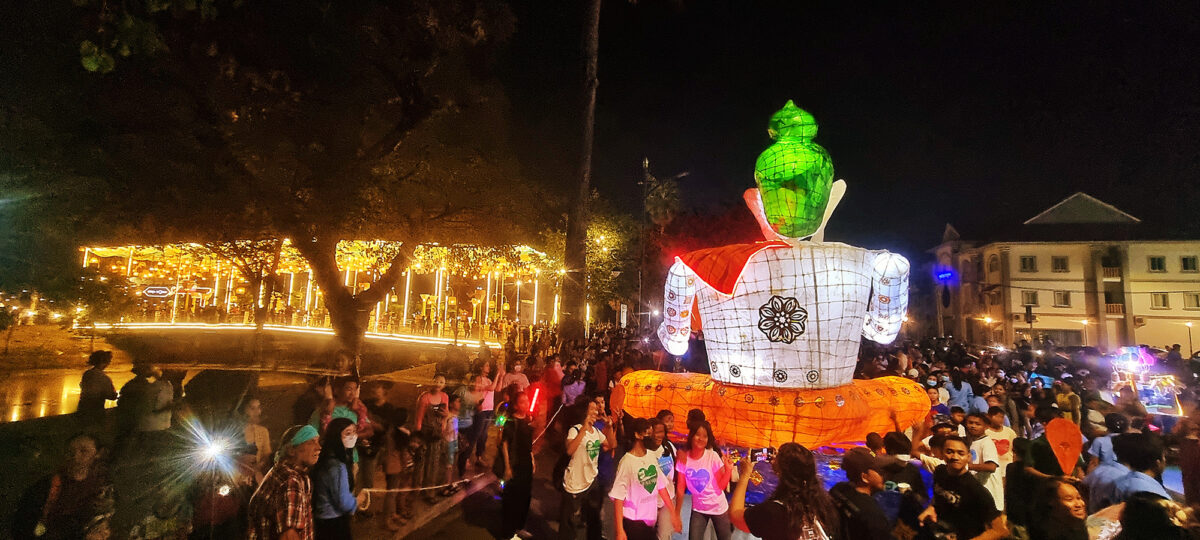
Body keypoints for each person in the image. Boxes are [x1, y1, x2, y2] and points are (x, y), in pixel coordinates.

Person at [12, 433, 114, 540]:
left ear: (98, 454)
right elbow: (22, 525)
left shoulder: (102, 487)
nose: (76, 457)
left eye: (83, 451)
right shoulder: (47, 486)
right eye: (71, 452)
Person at [731, 442, 839, 540]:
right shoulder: (825, 505)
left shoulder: (772, 512)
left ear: (780, 470)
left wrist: (745, 474)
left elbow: (735, 515)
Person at [918, 435, 1007, 540]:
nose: (955, 457)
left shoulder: (976, 490)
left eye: (961, 453)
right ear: (941, 454)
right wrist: (931, 508)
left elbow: (1000, 530)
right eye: (949, 452)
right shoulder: (940, 472)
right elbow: (939, 498)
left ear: (968, 457)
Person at [247, 424, 322, 540]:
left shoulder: (282, 472)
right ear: (291, 450)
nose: (318, 447)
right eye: (311, 442)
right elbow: (289, 536)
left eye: (317, 441)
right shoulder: (290, 480)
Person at [609, 417, 680, 540]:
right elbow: (618, 498)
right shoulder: (627, 462)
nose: (651, 437)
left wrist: (673, 512)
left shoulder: (651, 456)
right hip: (634, 522)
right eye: (648, 433)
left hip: (650, 521)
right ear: (637, 435)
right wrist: (620, 530)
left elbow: (661, 486)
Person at [559, 397, 615, 540]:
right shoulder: (575, 430)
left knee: (593, 518)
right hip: (575, 483)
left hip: (591, 481)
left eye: (596, 409)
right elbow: (569, 451)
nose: (595, 411)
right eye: (592, 409)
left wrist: (609, 427)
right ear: (584, 412)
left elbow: (611, 445)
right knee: (570, 523)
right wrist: (584, 428)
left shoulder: (596, 431)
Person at [674, 421, 732, 540]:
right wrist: (676, 513)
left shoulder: (712, 456)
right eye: (698, 435)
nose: (701, 439)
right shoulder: (684, 458)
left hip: (718, 507)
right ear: (691, 436)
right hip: (698, 509)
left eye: (705, 436)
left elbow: (721, 486)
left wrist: (729, 470)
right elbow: (680, 488)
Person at [310, 418, 360, 540]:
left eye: (354, 431)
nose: (353, 436)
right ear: (336, 436)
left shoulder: (325, 459)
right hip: (334, 523)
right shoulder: (337, 466)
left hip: (321, 520)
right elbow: (343, 502)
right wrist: (358, 500)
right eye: (348, 433)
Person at [829, 447, 891, 540]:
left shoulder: (837, 489)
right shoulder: (874, 516)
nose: (883, 474)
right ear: (864, 477)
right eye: (879, 470)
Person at [501, 391, 535, 539]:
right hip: (515, 464)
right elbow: (504, 444)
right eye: (522, 402)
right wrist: (507, 467)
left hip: (526, 463)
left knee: (525, 496)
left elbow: (528, 444)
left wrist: (532, 459)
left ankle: (519, 527)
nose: (526, 404)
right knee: (512, 498)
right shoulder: (510, 421)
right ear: (515, 405)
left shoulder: (528, 419)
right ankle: (508, 532)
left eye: (527, 401)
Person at [414, 374, 449, 500]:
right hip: (424, 433)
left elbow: (446, 416)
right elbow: (419, 418)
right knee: (420, 462)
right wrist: (417, 436)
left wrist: (445, 418)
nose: (439, 384)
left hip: (436, 434)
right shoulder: (425, 398)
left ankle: (429, 492)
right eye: (437, 381)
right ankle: (416, 490)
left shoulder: (444, 397)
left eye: (442, 382)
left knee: (433, 463)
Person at [1112, 431, 1170, 503]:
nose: (1165, 460)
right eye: (1164, 456)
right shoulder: (1154, 495)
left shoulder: (1121, 482)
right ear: (1157, 463)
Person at [382, 409, 415, 532]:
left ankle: (393, 514)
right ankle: (386, 520)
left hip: (389, 464)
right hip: (395, 466)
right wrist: (406, 467)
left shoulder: (390, 430)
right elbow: (403, 453)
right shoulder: (401, 434)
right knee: (391, 494)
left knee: (392, 492)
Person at [965, 412, 1005, 510]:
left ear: (986, 427)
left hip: (990, 495)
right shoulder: (973, 442)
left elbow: (991, 466)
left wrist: (965, 466)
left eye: (977, 424)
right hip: (980, 493)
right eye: (970, 423)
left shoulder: (987, 443)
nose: (973, 426)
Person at [649, 416, 678, 540]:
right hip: (648, 502)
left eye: (661, 432)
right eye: (655, 432)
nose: (658, 435)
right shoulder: (643, 452)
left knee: (664, 536)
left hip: (668, 500)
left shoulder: (669, 447)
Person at [77, 350, 118, 425]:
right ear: (105, 362)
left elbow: (83, 386)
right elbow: (112, 396)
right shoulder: (104, 378)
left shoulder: (87, 374)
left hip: (82, 409)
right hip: (96, 411)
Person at [240, 397, 273, 478]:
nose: (257, 412)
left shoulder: (263, 431)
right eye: (252, 408)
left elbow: (267, 455)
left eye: (258, 408)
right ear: (243, 410)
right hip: (234, 478)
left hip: (255, 477)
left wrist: (258, 466)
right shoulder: (233, 431)